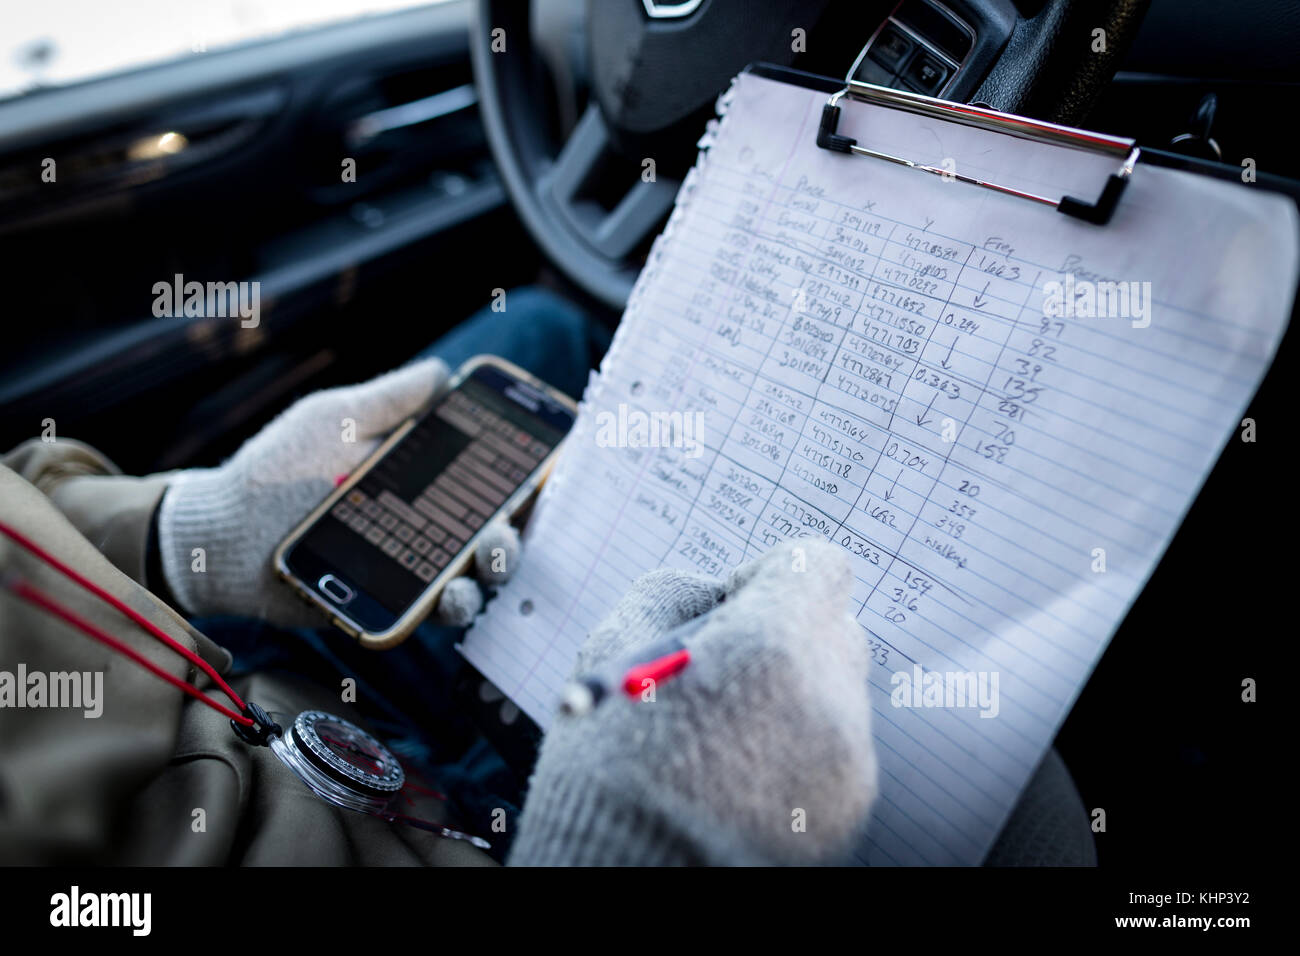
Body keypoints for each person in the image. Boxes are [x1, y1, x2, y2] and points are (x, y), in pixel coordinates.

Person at [0, 288, 880, 866]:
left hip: (205, 664)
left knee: (536, 334)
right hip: (385, 839)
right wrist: (625, 844)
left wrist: (174, 535)